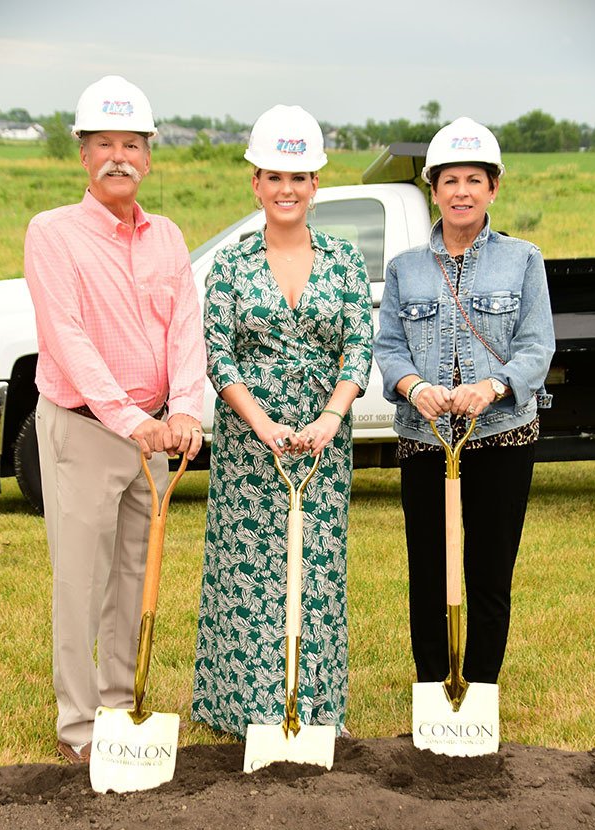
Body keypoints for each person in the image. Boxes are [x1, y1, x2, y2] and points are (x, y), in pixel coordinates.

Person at [24, 76, 206, 764]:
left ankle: (119, 707)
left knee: (136, 577)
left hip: (153, 434)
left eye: (132, 143)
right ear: (82, 152)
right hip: (84, 428)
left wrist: (185, 406)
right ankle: (78, 728)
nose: (118, 156)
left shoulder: (168, 238)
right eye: (104, 143)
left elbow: (184, 331)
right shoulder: (53, 235)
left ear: (150, 156)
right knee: (80, 580)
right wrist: (131, 418)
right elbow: (68, 338)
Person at [192, 105, 373, 738]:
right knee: (250, 569)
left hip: (324, 443)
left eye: (299, 177)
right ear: (256, 184)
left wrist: (330, 416)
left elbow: (359, 346)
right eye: (274, 177)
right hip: (251, 444)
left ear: (316, 185)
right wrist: (262, 423)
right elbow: (218, 354)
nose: (286, 190)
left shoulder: (346, 261)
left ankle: (315, 709)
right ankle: (245, 711)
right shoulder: (231, 266)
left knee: (316, 568)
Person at [374, 116, 555, 686]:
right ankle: (432, 688)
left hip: (502, 437)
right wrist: (415, 388)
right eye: (449, 180)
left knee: (489, 571)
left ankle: (478, 689)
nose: (462, 192)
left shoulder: (523, 259)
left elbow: (536, 345)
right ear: (434, 190)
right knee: (428, 571)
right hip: (426, 441)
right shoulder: (405, 268)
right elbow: (390, 346)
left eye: (474, 180)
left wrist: (493, 385)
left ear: (493, 188)